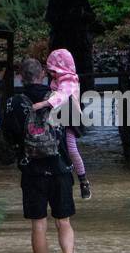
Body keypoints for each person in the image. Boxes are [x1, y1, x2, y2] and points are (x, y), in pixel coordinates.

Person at [3, 55, 79, 253]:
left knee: (39, 224)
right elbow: (76, 128)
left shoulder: (14, 102)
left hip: (32, 170)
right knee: (63, 221)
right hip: (60, 167)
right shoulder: (61, 97)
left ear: (21, 77)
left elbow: (9, 136)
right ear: (43, 75)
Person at [29, 48, 92, 200]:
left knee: (70, 147)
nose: (50, 73)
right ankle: (59, 172)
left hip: (70, 117)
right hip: (59, 116)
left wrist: (42, 104)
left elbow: (62, 97)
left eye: (53, 70)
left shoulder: (70, 80)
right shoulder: (58, 79)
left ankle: (83, 180)